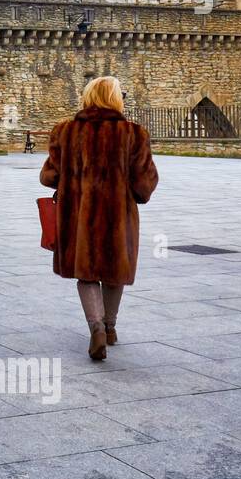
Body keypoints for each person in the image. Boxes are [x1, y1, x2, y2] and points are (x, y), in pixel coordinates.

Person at [39, 76, 159, 360]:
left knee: (87, 273)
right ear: (116, 99)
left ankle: (95, 328)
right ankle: (110, 326)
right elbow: (145, 181)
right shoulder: (134, 133)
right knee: (114, 271)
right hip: (118, 216)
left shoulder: (64, 132)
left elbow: (49, 176)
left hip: (77, 217)